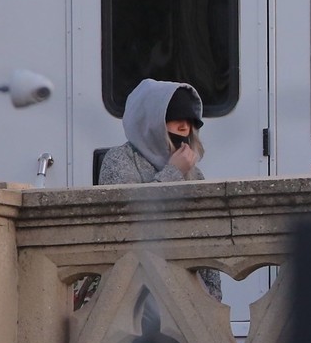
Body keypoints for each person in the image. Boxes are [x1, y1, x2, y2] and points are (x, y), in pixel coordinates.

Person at [91, 79, 221, 302]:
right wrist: (173, 173)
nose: (184, 127)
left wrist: (212, 296)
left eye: (189, 121)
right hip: (137, 291)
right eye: (175, 119)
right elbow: (129, 222)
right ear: (150, 120)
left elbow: (205, 236)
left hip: (188, 291)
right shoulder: (119, 160)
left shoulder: (195, 173)